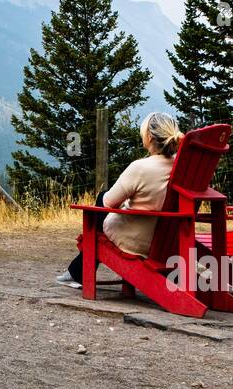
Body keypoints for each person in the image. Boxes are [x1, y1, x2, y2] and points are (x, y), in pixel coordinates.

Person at [56, 112, 184, 288]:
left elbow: (108, 203)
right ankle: (76, 270)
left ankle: (79, 271)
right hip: (167, 240)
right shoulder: (180, 166)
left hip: (137, 239)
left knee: (102, 198)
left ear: (148, 136)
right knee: (112, 201)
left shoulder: (141, 167)